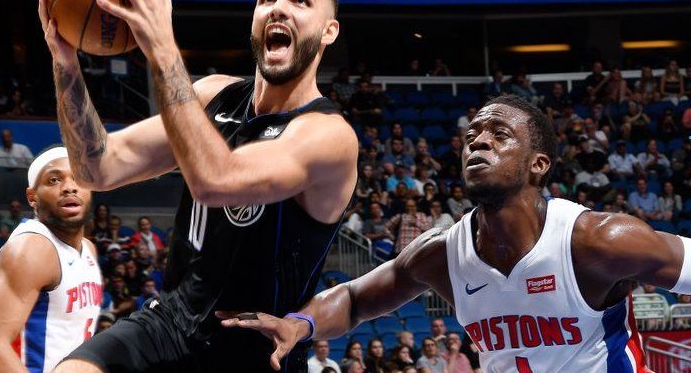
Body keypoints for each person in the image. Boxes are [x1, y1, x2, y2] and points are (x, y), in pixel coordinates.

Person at [40, 0, 356, 373]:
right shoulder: (212, 96)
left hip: (256, 348)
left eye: (300, 1)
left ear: (327, 30)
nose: (279, 7)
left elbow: (216, 180)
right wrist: (65, 64)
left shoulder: (329, 135)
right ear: (255, 21)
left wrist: (160, 45)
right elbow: (97, 167)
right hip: (170, 323)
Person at [221, 94, 691, 372]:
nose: (479, 141)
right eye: (472, 136)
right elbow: (355, 299)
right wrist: (299, 324)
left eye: (499, 135)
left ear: (538, 165)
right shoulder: (443, 254)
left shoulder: (596, 241)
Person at [0, 147, 103, 373]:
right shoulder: (32, 249)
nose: (70, 187)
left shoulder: (89, 249)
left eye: (79, 178)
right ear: (32, 197)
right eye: (54, 180)